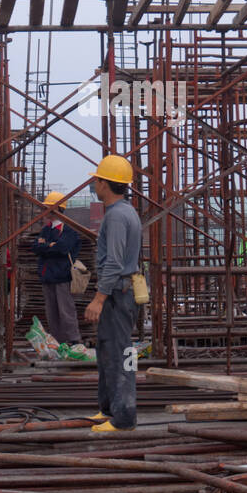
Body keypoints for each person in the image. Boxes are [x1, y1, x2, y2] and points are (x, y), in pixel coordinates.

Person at [83, 155, 142, 432]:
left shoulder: (117, 216)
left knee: (120, 353)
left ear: (106, 184)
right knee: (108, 350)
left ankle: (124, 416)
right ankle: (108, 408)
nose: (94, 182)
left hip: (118, 294)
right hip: (120, 293)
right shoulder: (123, 211)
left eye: (97, 179)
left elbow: (115, 263)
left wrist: (99, 298)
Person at [33, 191, 82, 346]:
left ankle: (73, 341)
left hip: (62, 276)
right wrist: (49, 246)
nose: (45, 211)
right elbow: (36, 247)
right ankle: (57, 342)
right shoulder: (47, 229)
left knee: (65, 311)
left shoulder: (68, 231)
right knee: (52, 312)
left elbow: (62, 248)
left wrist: (45, 245)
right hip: (48, 276)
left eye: (47, 207)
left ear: (56, 209)